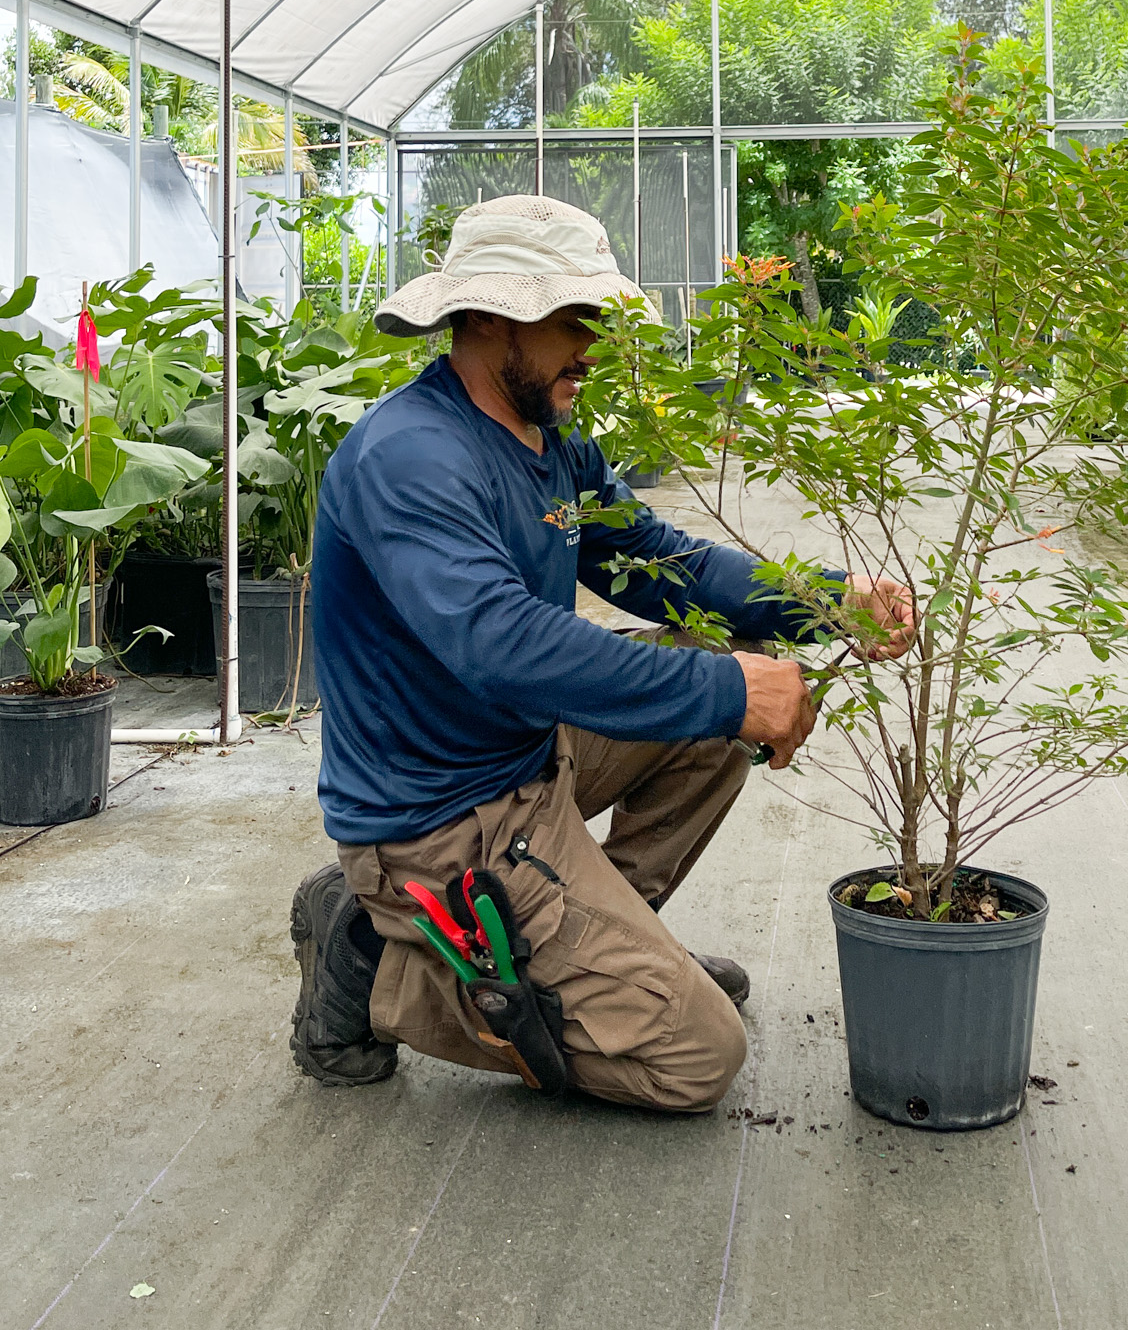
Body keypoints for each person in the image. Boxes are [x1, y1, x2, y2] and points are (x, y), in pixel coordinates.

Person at [288, 194, 912, 1112]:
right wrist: (729, 691)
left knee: (717, 668)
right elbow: (502, 645)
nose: (592, 344)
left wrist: (828, 601)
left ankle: (601, 951)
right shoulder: (411, 457)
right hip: (441, 820)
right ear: (490, 316)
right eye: (572, 317)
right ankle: (369, 961)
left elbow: (663, 564)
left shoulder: (553, 448)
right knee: (697, 1059)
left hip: (532, 753)